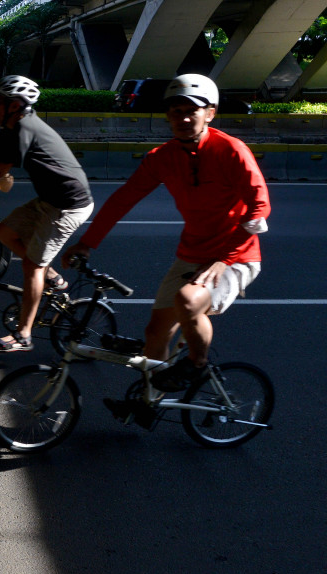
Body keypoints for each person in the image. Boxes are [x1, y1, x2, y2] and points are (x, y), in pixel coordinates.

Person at [62, 74, 270, 391]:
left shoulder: (231, 150)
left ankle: (197, 365)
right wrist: (87, 243)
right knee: (155, 333)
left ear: (210, 113)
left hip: (236, 256)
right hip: (191, 253)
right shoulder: (162, 158)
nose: (183, 119)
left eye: (192, 111)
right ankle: (152, 398)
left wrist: (223, 260)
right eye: (176, 112)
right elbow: (122, 200)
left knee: (187, 302)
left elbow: (260, 207)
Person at [0, 75, 94, 352]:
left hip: (68, 205)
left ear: (14, 105)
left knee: (31, 266)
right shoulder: (10, 127)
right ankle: (51, 276)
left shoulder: (25, 130)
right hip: (49, 200)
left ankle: (23, 335)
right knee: (4, 231)